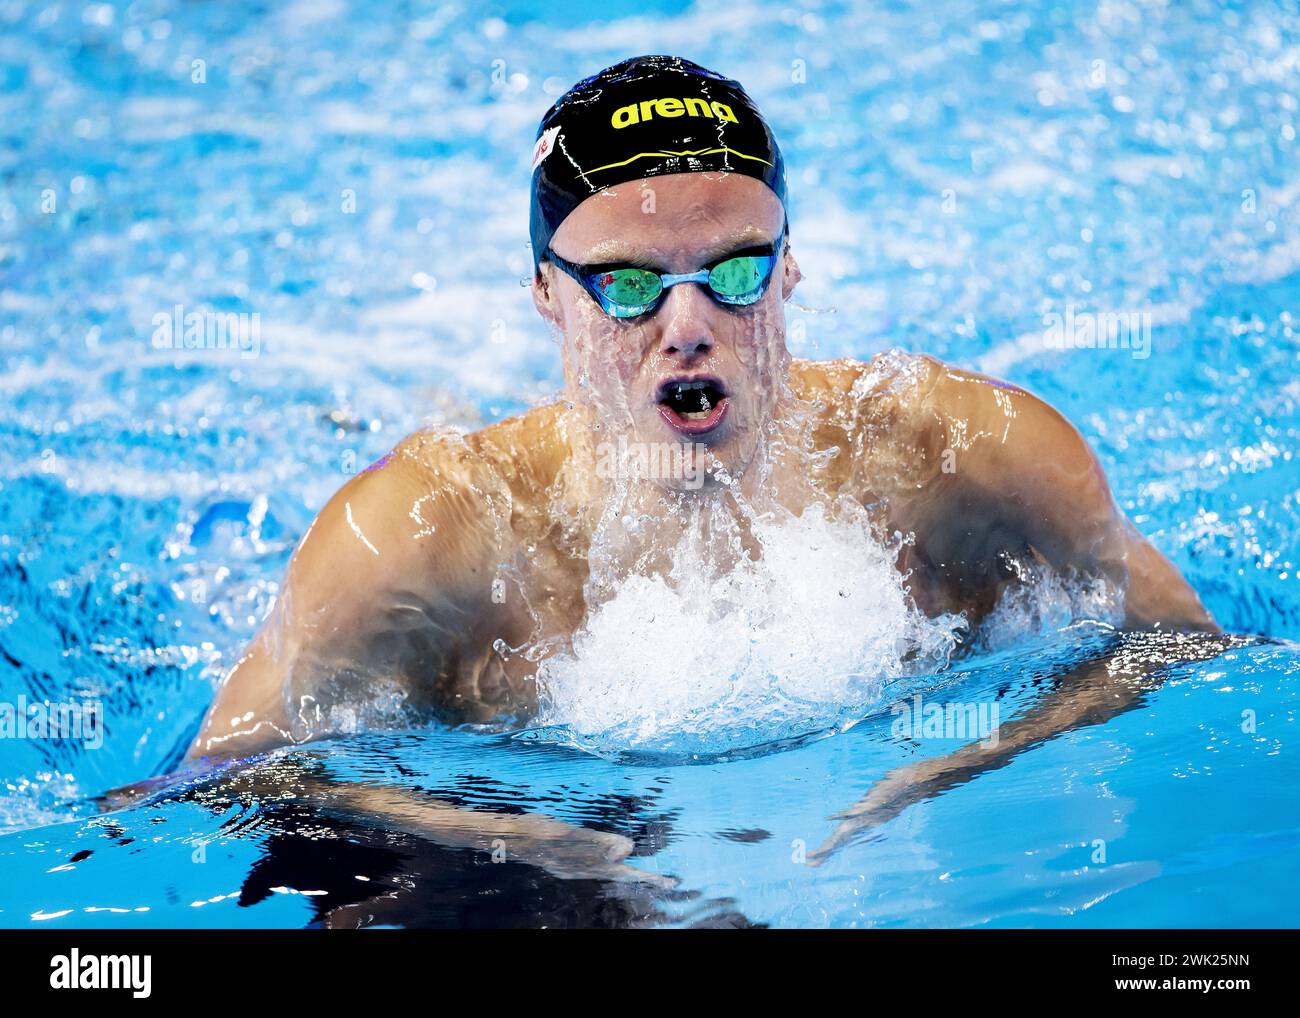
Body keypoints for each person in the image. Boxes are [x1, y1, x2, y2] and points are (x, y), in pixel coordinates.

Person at [185, 54, 1216, 774]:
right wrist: (517, 828)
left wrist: (961, 762)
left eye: (733, 272)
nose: (686, 324)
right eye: (627, 286)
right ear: (545, 293)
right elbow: (221, 787)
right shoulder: (422, 541)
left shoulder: (966, 457)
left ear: (791, 266)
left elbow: (1182, 652)